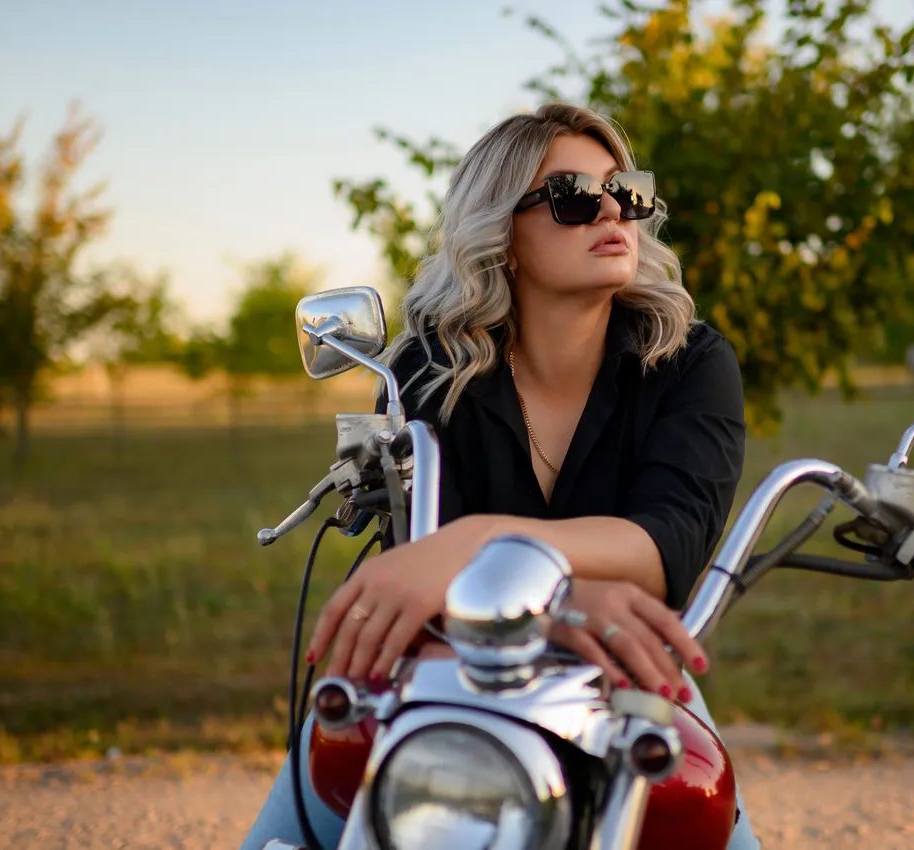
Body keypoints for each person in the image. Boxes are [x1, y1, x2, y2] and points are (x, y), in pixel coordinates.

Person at [239, 102, 760, 849]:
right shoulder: (430, 367)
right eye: (575, 197)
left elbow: (664, 545)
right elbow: (421, 573)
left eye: (627, 191)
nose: (612, 209)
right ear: (502, 234)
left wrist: (478, 542)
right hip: (454, 664)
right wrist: (568, 601)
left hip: (622, 674)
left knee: (704, 809)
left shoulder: (689, 362)